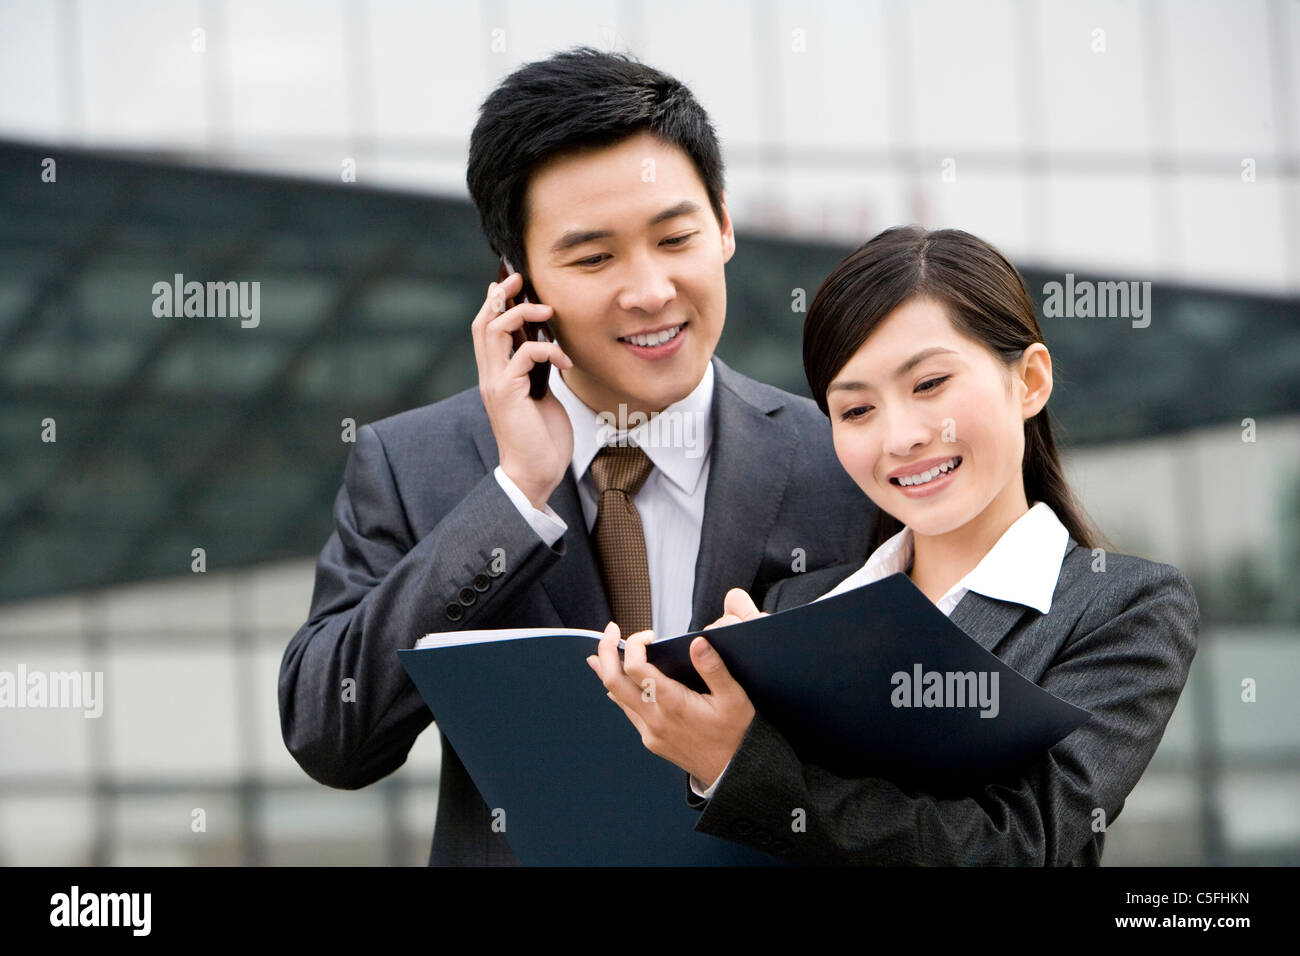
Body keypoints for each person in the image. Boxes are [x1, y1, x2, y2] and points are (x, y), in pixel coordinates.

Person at [277, 47, 877, 866]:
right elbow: (329, 736)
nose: (650, 291)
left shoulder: (846, 456)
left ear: (726, 225)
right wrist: (515, 496)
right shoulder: (415, 463)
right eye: (594, 258)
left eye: (676, 238)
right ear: (517, 279)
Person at [590, 225, 1199, 865]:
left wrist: (737, 765)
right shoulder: (795, 605)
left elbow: (1018, 846)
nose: (901, 438)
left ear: (1030, 381)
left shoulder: (1124, 607)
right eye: (856, 411)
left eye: (929, 384)